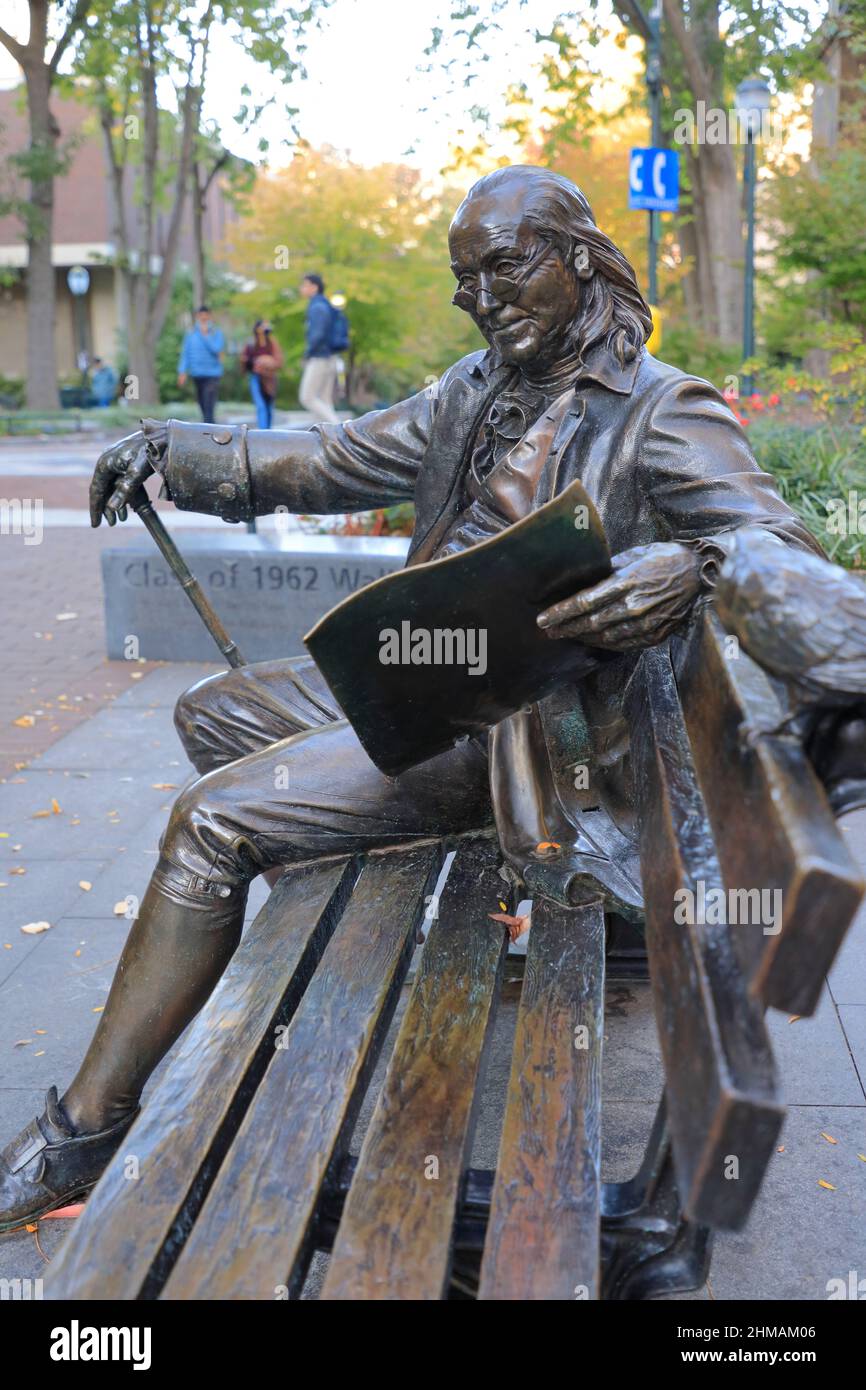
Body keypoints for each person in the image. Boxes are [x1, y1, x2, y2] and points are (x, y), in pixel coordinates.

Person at [0, 165, 831, 1227]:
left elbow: (777, 542)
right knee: (213, 712)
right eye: (463, 278)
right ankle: (357, 853)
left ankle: (81, 1136)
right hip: (426, 679)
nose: (480, 297)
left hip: (525, 740)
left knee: (208, 825)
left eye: (503, 268)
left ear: (576, 257)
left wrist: (694, 569)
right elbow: (331, 459)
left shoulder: (662, 411)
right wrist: (175, 449)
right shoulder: (476, 385)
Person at [298, 273, 339, 422]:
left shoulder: (317, 307)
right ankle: (328, 438)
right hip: (330, 357)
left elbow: (318, 334)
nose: (301, 288)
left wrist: (308, 354)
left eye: (304, 285)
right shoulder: (325, 305)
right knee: (324, 400)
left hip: (320, 357)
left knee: (307, 398)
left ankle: (340, 429)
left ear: (314, 287)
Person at [177, 305, 224, 423]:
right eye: (201, 316)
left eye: (205, 316)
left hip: (212, 374)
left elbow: (217, 349)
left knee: (209, 405)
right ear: (197, 316)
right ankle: (208, 427)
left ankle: (209, 430)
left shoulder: (215, 332)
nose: (203, 318)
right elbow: (186, 353)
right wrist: (182, 371)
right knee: (202, 404)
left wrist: (206, 336)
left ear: (209, 316)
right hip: (197, 374)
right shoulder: (191, 333)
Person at [240, 320, 284, 429]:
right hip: (255, 377)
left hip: (269, 379)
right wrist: (251, 362)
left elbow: (279, 361)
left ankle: (268, 431)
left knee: (269, 407)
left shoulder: (272, 343)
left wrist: (266, 361)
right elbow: (244, 360)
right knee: (260, 406)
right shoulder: (251, 343)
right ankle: (262, 431)